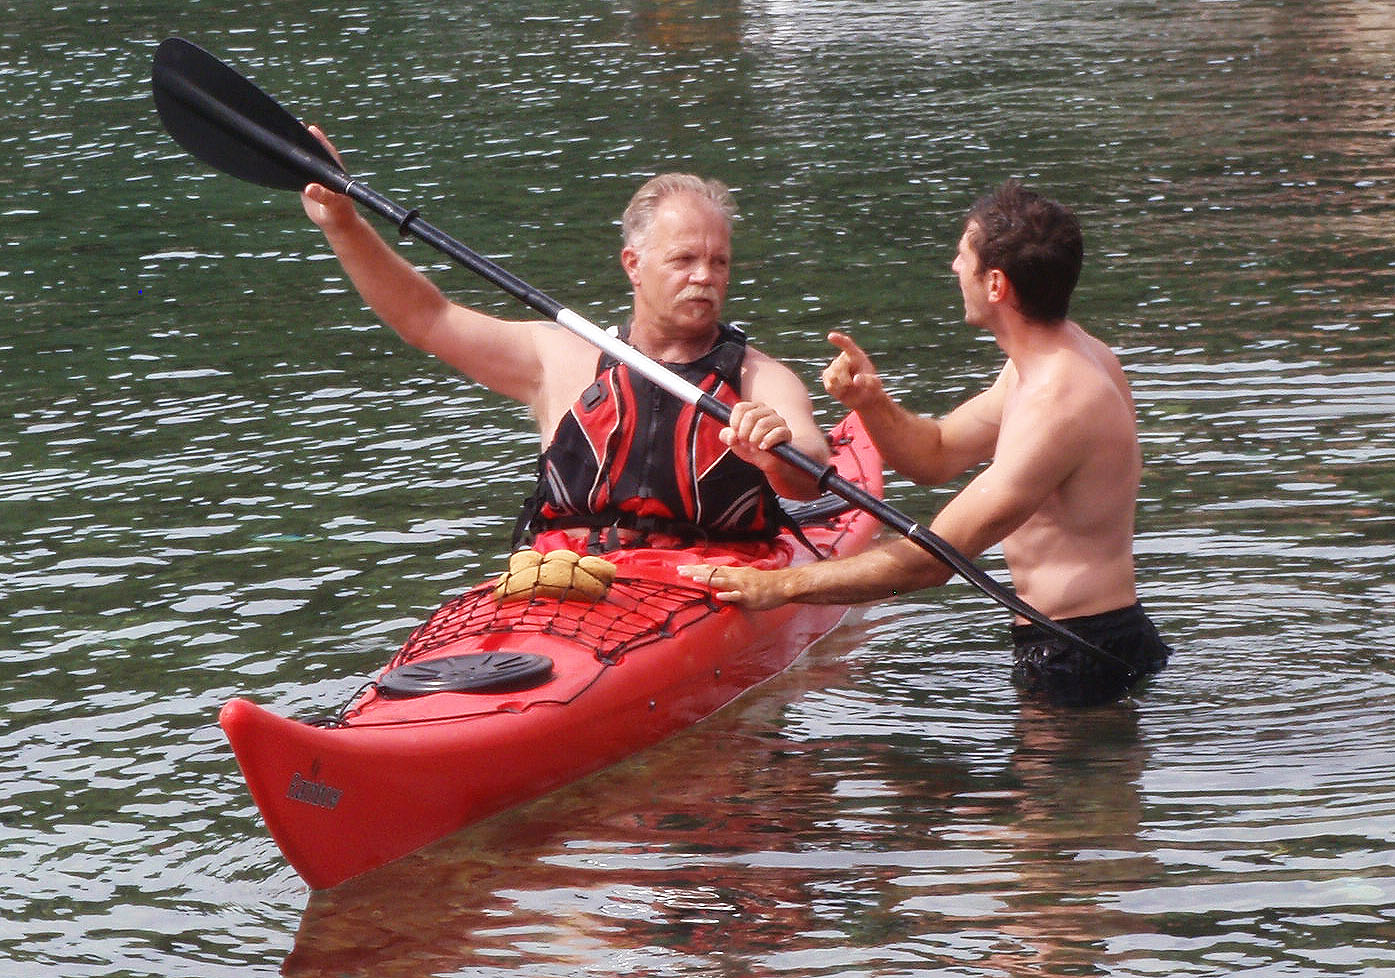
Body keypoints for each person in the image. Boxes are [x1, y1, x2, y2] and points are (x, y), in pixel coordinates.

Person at [683, 181, 1170, 707]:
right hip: (1082, 643)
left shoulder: (1061, 399)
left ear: (996, 284)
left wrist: (778, 587)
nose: (955, 268)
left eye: (963, 256)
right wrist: (871, 403)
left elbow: (934, 560)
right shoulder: (1045, 364)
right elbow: (936, 454)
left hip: (1083, 656)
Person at [298, 127, 829, 551]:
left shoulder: (759, 378)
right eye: (684, 259)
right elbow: (427, 320)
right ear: (633, 264)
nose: (704, 276)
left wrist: (774, 455)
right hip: (567, 582)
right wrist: (343, 225)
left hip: (711, 581)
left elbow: (811, 473)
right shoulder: (559, 356)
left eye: (719, 262)